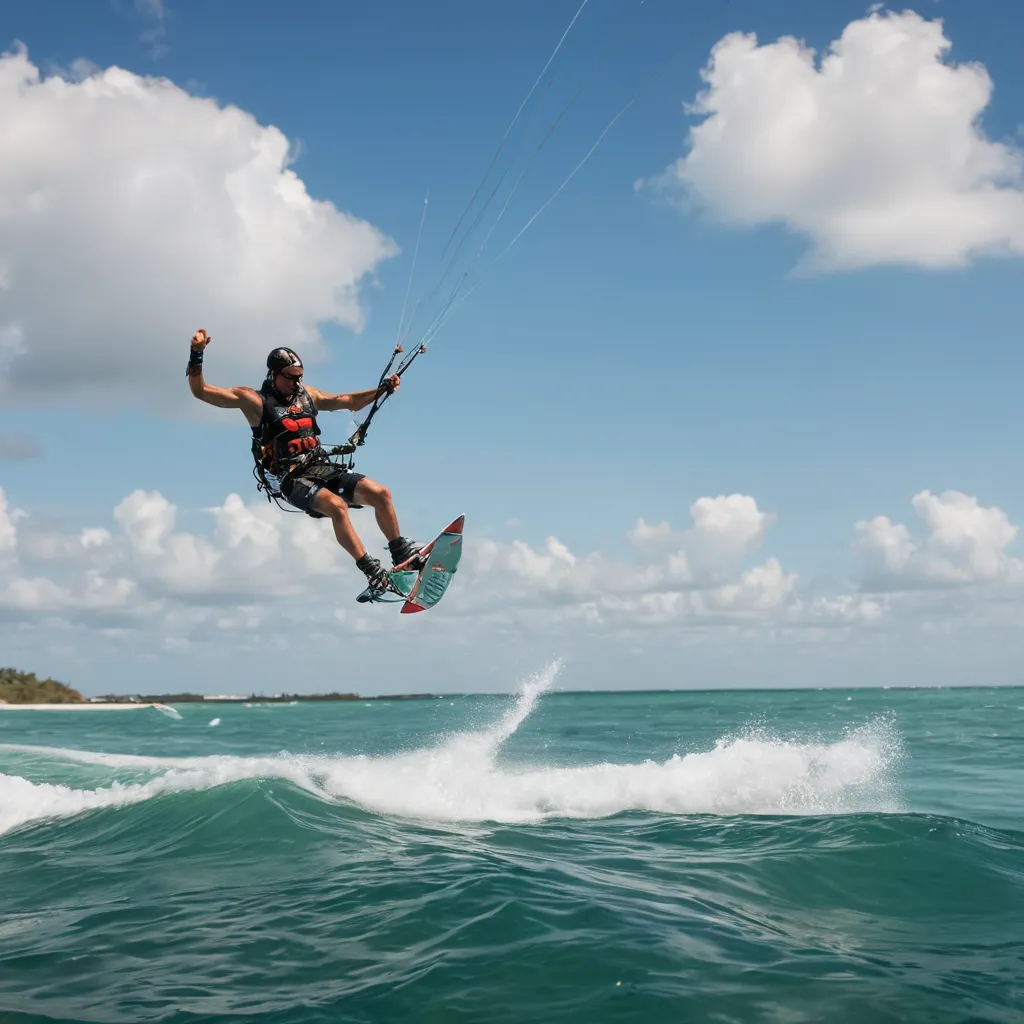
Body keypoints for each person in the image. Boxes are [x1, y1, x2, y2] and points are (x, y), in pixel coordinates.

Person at [185, 328, 420, 592]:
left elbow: (348, 401)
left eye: (300, 377)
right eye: (290, 377)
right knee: (337, 507)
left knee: (381, 494)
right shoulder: (254, 401)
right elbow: (201, 391)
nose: (296, 383)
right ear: (273, 375)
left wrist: (381, 390)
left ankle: (402, 555)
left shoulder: (308, 395)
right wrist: (197, 353)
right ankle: (372, 572)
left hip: (322, 467)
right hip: (292, 479)